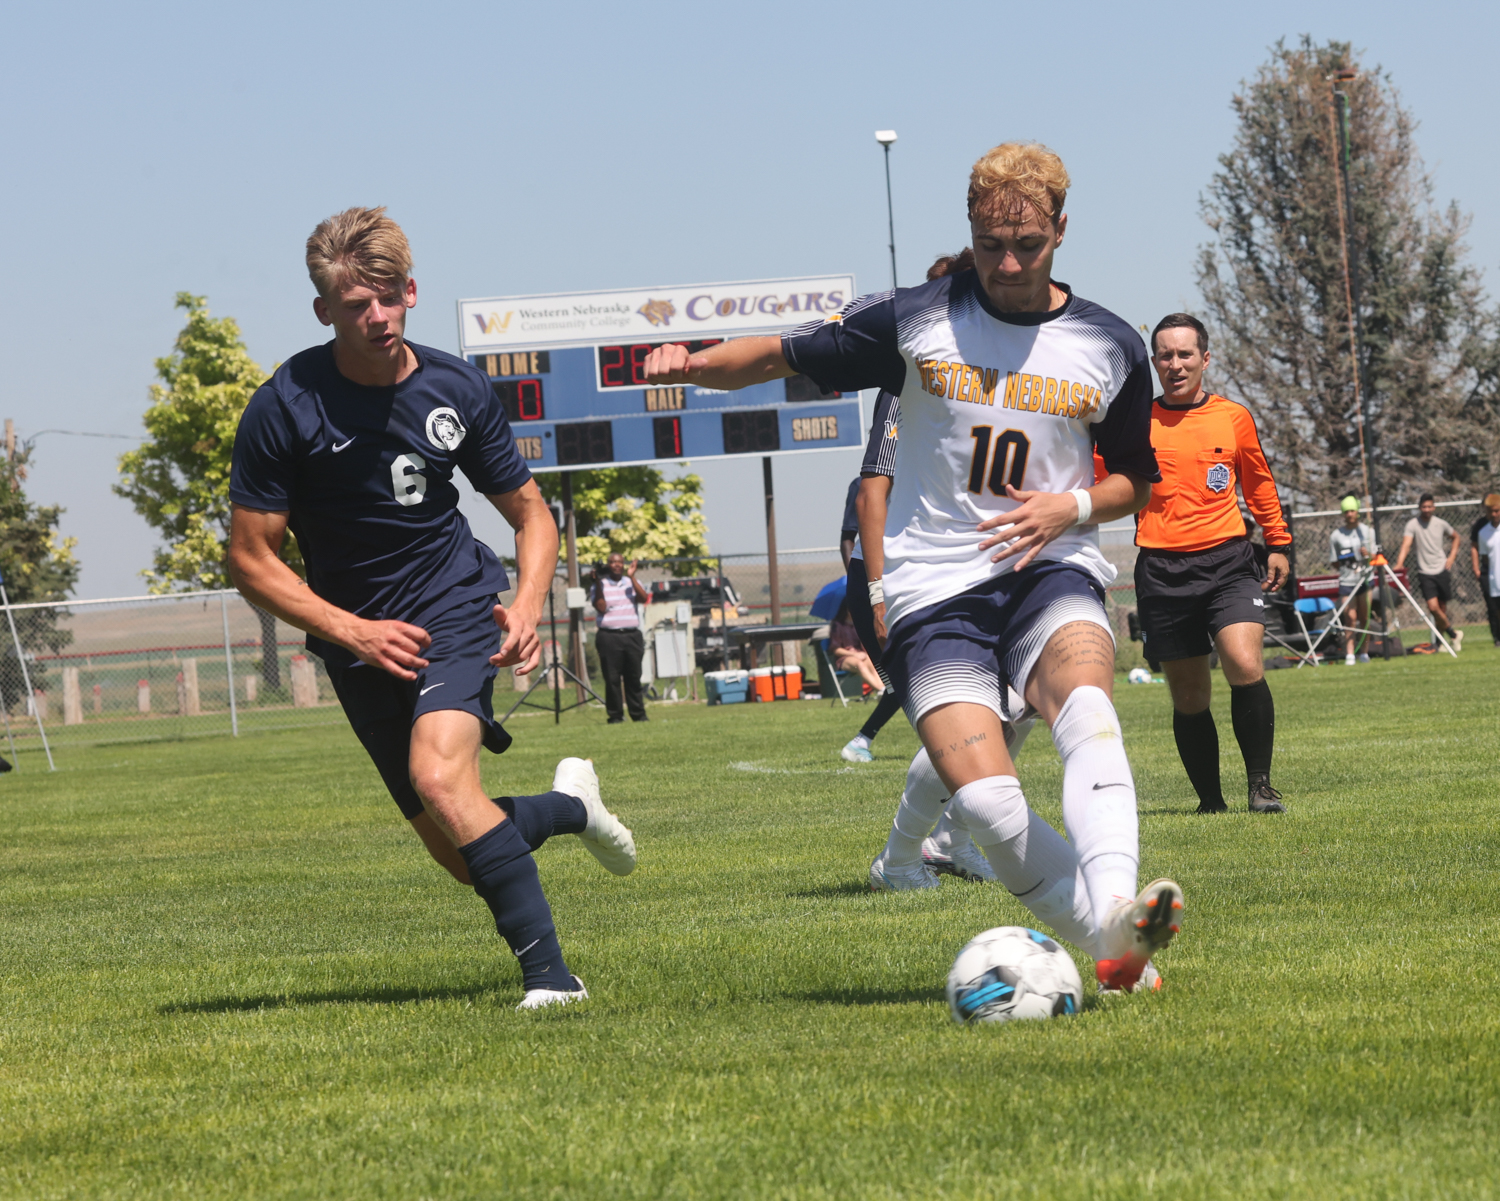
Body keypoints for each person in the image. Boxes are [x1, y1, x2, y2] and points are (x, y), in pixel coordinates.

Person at [645, 141, 1181, 994]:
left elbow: (1133, 484)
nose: (1006, 264)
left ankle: (1118, 900)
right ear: (968, 232)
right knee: (987, 806)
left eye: (1027, 246)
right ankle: (1113, 950)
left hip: (1049, 566)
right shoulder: (915, 318)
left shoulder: (1109, 343)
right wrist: (693, 365)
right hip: (936, 587)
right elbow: (786, 354)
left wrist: (1067, 508)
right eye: (989, 244)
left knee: (1087, 710)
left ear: (1062, 232)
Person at [227, 206, 636, 1010]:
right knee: (459, 845)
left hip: (453, 605)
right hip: (357, 638)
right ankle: (570, 806)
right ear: (324, 311)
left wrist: (522, 602)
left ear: (410, 291)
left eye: (387, 297)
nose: (375, 316)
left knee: (440, 778)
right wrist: (350, 629)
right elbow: (249, 558)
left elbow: (530, 514)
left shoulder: (456, 386)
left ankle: (554, 981)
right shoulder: (284, 405)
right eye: (354, 304)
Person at [1137, 313, 1292, 816]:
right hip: (1161, 568)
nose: (1175, 364)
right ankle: (1210, 802)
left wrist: (1278, 541)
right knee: (1188, 693)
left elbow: (1260, 483)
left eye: (1185, 354)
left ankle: (1261, 787)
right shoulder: (1137, 419)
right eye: (1165, 355)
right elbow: (1101, 481)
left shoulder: (1233, 416)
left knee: (1245, 663)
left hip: (1228, 560)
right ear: (1155, 361)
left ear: (1205, 358)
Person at [836, 469, 905, 762]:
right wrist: (863, 586)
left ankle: (861, 741)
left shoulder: (926, 466)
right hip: (873, 584)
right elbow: (847, 537)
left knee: (905, 677)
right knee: (899, 678)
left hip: (907, 577)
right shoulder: (865, 484)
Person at [1396, 495, 1463, 650]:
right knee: (1433, 608)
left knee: (1441, 608)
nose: (1427, 510)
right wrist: (1399, 563)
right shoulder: (1412, 524)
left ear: (1434, 507)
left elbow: (1456, 537)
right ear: (1420, 507)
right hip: (1425, 572)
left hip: (1441, 569)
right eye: (1424, 507)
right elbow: (1406, 544)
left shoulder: (1440, 524)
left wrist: (1451, 557)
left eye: (1429, 506)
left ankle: (1440, 644)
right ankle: (1453, 634)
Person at [591, 553, 649, 724]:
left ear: (624, 565)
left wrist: (632, 577)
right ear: (608, 565)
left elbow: (643, 598)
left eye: (619, 562)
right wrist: (597, 581)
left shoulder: (630, 582)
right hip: (609, 636)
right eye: (612, 562)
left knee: (634, 677)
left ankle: (638, 715)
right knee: (612, 678)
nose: (616, 565)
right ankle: (615, 716)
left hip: (632, 635)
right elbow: (601, 607)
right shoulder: (599, 584)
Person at [1329, 495, 1377, 666]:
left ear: (1358, 512)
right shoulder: (1336, 535)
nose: (1350, 514)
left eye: (1353, 510)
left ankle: (1364, 652)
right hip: (1347, 582)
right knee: (1350, 617)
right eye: (1347, 511)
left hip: (1365, 580)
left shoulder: (1368, 531)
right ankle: (1350, 654)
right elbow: (1334, 561)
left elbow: (1375, 557)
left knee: (1365, 618)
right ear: (1343, 513)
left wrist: (1368, 555)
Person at [1471, 493, 1500, 646]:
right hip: (1491, 573)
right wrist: (1477, 569)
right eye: (1491, 511)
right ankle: (1497, 637)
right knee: (1494, 608)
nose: (1495, 514)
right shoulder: (1482, 529)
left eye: (1497, 510)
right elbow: (1478, 550)